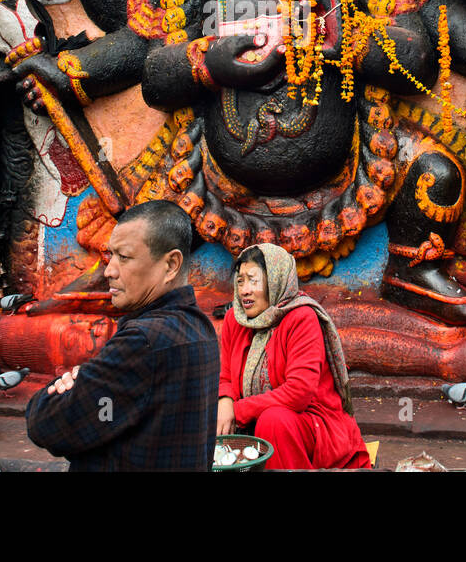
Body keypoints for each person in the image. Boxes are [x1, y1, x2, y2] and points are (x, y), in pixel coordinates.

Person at [25, 199, 220, 470]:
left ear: (171, 265)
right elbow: (108, 414)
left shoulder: (143, 343)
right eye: (111, 256)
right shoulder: (200, 328)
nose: (109, 271)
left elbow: (46, 424)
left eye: (124, 257)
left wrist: (68, 386)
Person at [217, 242, 371, 469]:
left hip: (309, 423)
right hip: (252, 421)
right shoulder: (234, 320)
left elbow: (298, 393)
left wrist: (238, 410)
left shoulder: (301, 318)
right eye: (240, 281)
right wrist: (224, 402)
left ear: (276, 280)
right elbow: (226, 377)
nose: (244, 290)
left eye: (253, 280)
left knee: (273, 421)